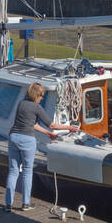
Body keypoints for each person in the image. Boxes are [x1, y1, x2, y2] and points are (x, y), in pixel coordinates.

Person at [6, 82, 77, 211]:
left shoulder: (21, 104)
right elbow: (52, 125)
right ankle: (25, 203)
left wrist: (47, 134)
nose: (42, 98)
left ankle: (8, 204)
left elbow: (31, 124)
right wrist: (69, 127)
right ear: (37, 95)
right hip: (27, 140)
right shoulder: (37, 108)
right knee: (27, 170)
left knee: (13, 171)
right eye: (42, 95)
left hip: (13, 137)